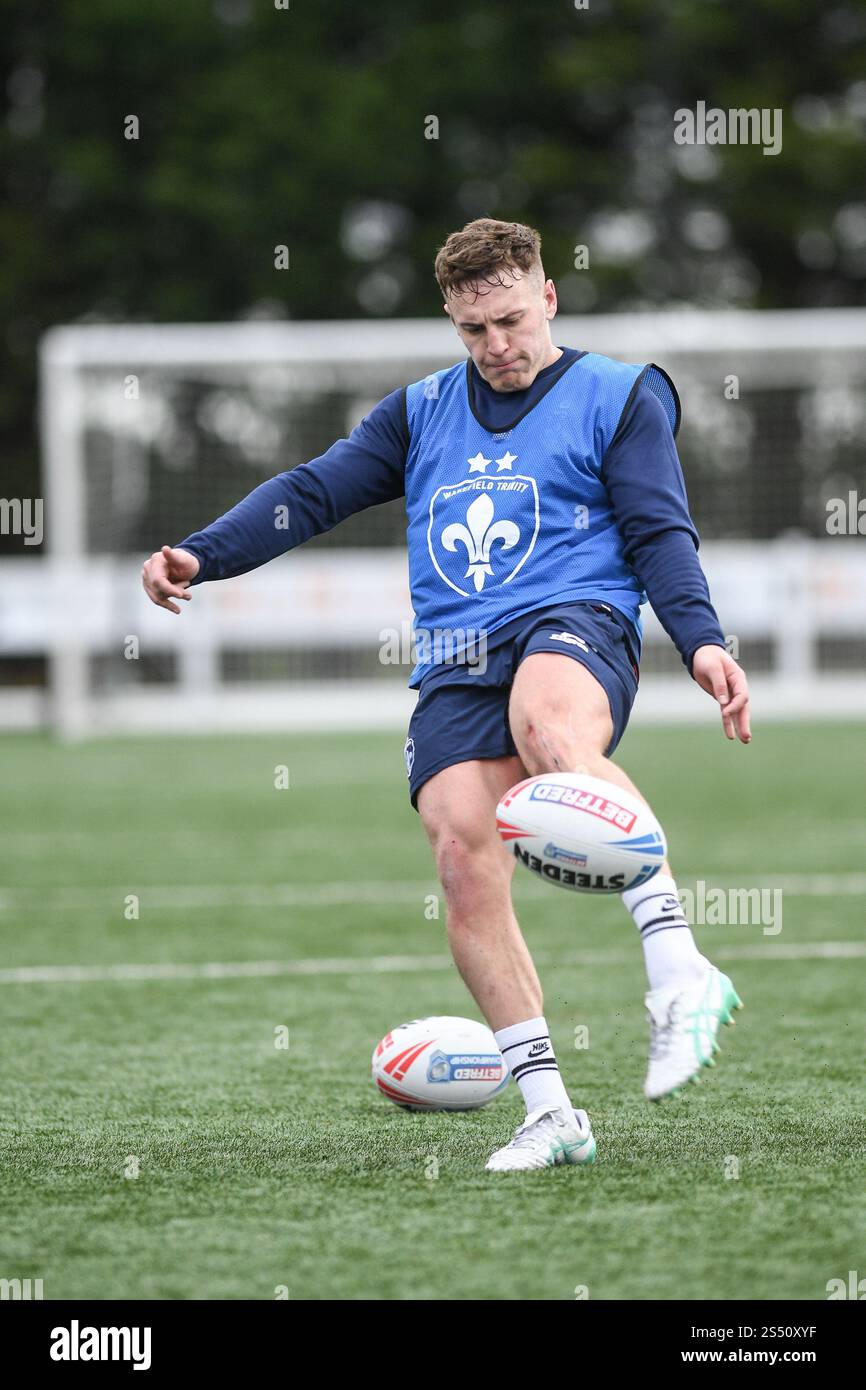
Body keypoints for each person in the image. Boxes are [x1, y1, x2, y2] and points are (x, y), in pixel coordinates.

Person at [142, 218, 750, 1173]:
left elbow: (660, 530)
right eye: (474, 331)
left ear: (548, 297)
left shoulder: (621, 393)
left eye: (511, 320)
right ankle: (551, 1112)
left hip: (575, 617)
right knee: (462, 854)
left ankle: (679, 967)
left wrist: (702, 639)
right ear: (452, 321)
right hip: (457, 653)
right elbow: (316, 489)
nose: (497, 347)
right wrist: (201, 553)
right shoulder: (420, 412)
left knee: (548, 721)